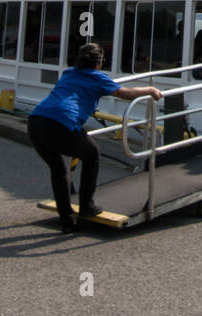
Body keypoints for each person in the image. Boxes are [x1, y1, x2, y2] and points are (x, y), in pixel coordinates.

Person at [28, 43, 162, 231]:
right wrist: (150, 90)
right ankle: (87, 207)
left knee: (58, 170)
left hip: (36, 122)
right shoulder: (97, 77)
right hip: (61, 123)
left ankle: (67, 219)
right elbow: (124, 93)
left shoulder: (69, 73)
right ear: (99, 63)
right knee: (92, 155)